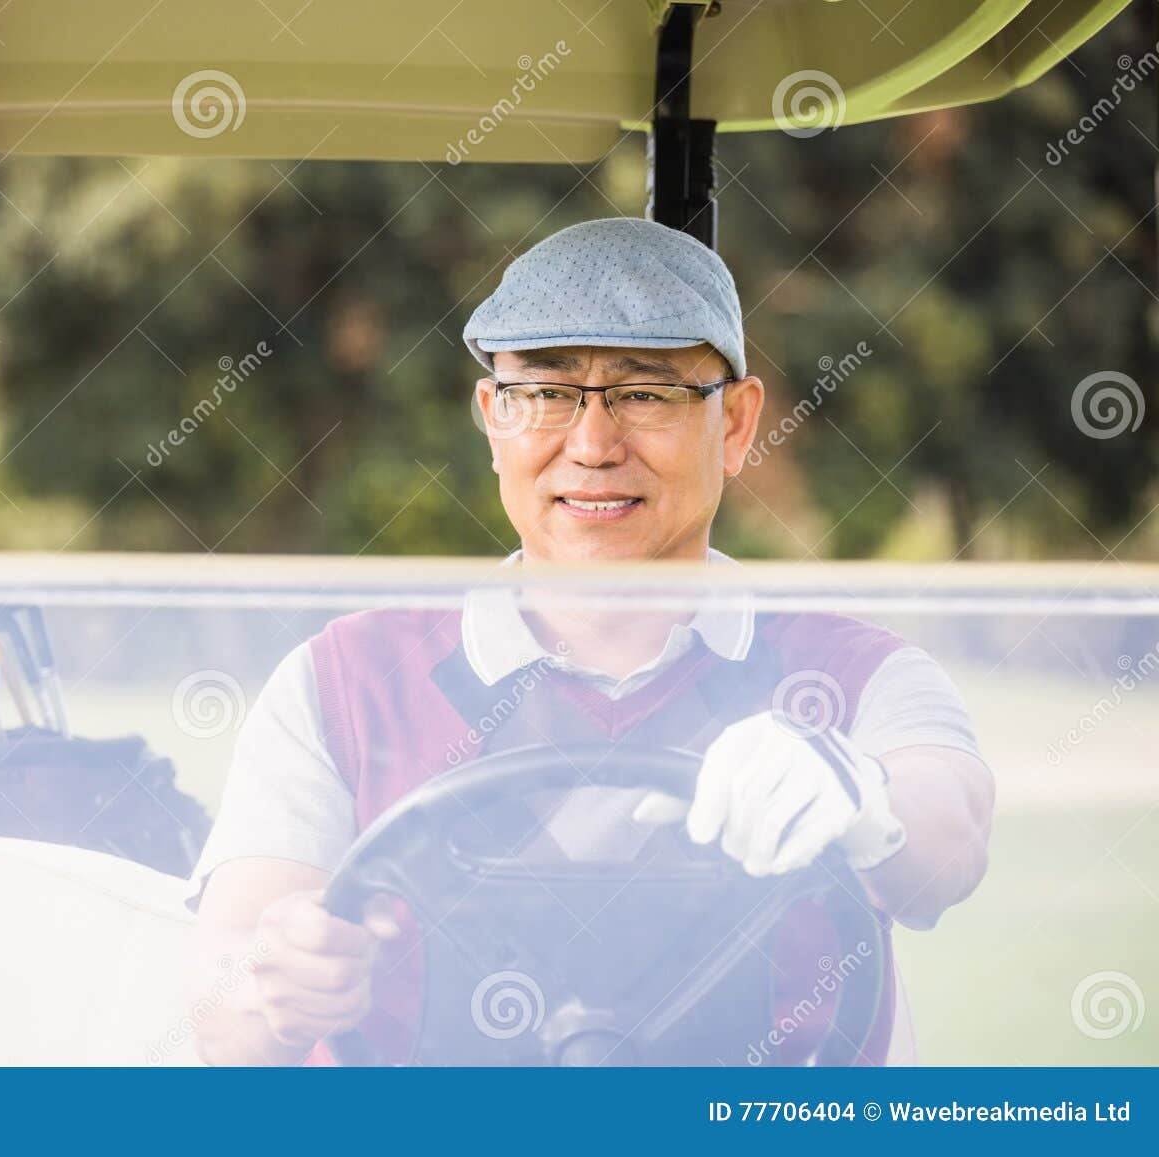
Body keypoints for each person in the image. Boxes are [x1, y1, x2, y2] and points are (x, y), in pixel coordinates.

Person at [188, 217, 994, 1066]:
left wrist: (865, 797)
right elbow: (224, 1001)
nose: (592, 445)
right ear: (492, 417)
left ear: (737, 423)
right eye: (544, 393)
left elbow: (951, 837)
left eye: (645, 393)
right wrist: (274, 983)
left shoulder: (858, 676)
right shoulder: (340, 681)